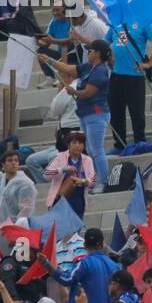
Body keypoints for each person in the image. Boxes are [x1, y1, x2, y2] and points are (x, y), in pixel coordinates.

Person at [48, 38, 113, 191]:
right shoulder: (90, 66)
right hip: (85, 114)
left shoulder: (101, 70)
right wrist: (50, 61)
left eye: (90, 50)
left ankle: (103, 181)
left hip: (96, 114)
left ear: (97, 53)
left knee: (97, 149)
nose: (88, 52)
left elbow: (88, 93)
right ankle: (95, 180)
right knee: (90, 149)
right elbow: (70, 69)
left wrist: (73, 92)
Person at [107, 19, 152, 150]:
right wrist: (109, 57)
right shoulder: (115, 23)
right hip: (115, 75)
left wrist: (149, 63)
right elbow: (104, 43)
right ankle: (119, 145)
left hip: (134, 75)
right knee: (115, 113)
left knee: (136, 113)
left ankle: (140, 142)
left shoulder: (143, 22)